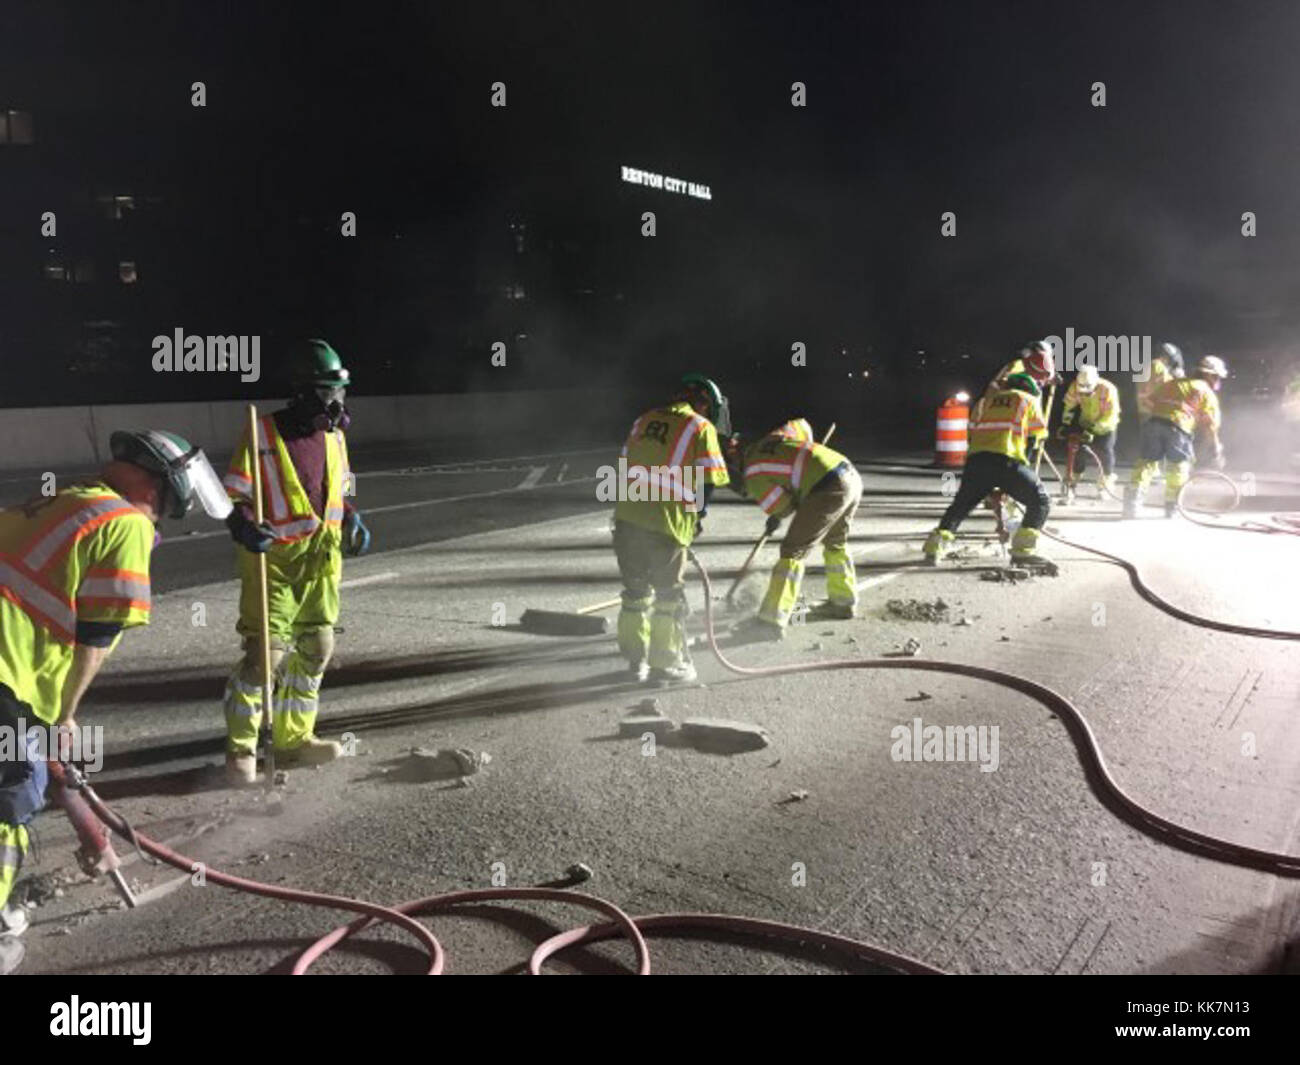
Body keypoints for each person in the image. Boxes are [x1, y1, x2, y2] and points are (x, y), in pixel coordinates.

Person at [0, 429, 229, 974]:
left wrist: (92, 833)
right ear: (163, 484)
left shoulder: (70, 501)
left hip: (10, 675)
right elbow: (94, 643)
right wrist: (65, 716)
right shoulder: (123, 523)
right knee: (10, 795)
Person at [220, 339, 371, 785]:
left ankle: (294, 739)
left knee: (317, 651)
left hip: (321, 564)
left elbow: (340, 491)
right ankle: (241, 750)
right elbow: (233, 496)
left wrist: (353, 520)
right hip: (276, 565)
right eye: (328, 391)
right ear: (303, 391)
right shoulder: (262, 432)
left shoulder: (334, 436)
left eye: (339, 391)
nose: (336, 401)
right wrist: (244, 527)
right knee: (262, 660)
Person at [612, 373, 731, 685]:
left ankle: (634, 663)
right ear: (705, 404)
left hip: (626, 519)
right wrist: (697, 518)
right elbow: (706, 482)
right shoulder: (699, 427)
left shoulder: (643, 420)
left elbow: (624, 464)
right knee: (668, 596)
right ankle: (664, 666)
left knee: (635, 592)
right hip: (665, 523)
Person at [729, 419, 863, 640]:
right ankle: (843, 603)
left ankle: (771, 622)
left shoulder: (752, 475)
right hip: (849, 475)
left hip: (828, 486)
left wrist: (776, 516)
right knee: (835, 541)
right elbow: (803, 425)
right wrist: (806, 460)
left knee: (793, 550)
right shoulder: (772, 438)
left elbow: (784, 507)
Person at [923, 373, 1052, 566]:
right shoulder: (1028, 400)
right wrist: (1022, 472)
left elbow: (971, 434)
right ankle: (1023, 552)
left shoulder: (984, 402)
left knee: (960, 507)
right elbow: (1035, 437)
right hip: (1007, 462)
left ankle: (934, 549)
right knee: (1040, 500)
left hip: (977, 463)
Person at [1124, 355, 1227, 518]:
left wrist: (1166, 412)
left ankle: (1131, 507)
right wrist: (1215, 447)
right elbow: (1210, 425)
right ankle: (1172, 508)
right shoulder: (1204, 391)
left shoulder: (1172, 383)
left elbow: (1149, 401)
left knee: (1146, 464)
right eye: (1216, 377)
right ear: (1208, 374)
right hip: (1178, 430)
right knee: (1177, 468)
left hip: (1153, 424)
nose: (1218, 381)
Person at [1058, 364, 1121, 500]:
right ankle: (1072, 484)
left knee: (1105, 452)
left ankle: (1105, 485)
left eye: (1087, 392)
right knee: (1078, 453)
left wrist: (1093, 429)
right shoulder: (1075, 386)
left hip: (1106, 425)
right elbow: (1069, 406)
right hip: (1085, 422)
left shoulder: (1108, 389)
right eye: (1083, 392)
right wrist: (1065, 424)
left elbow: (1111, 415)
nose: (1084, 394)